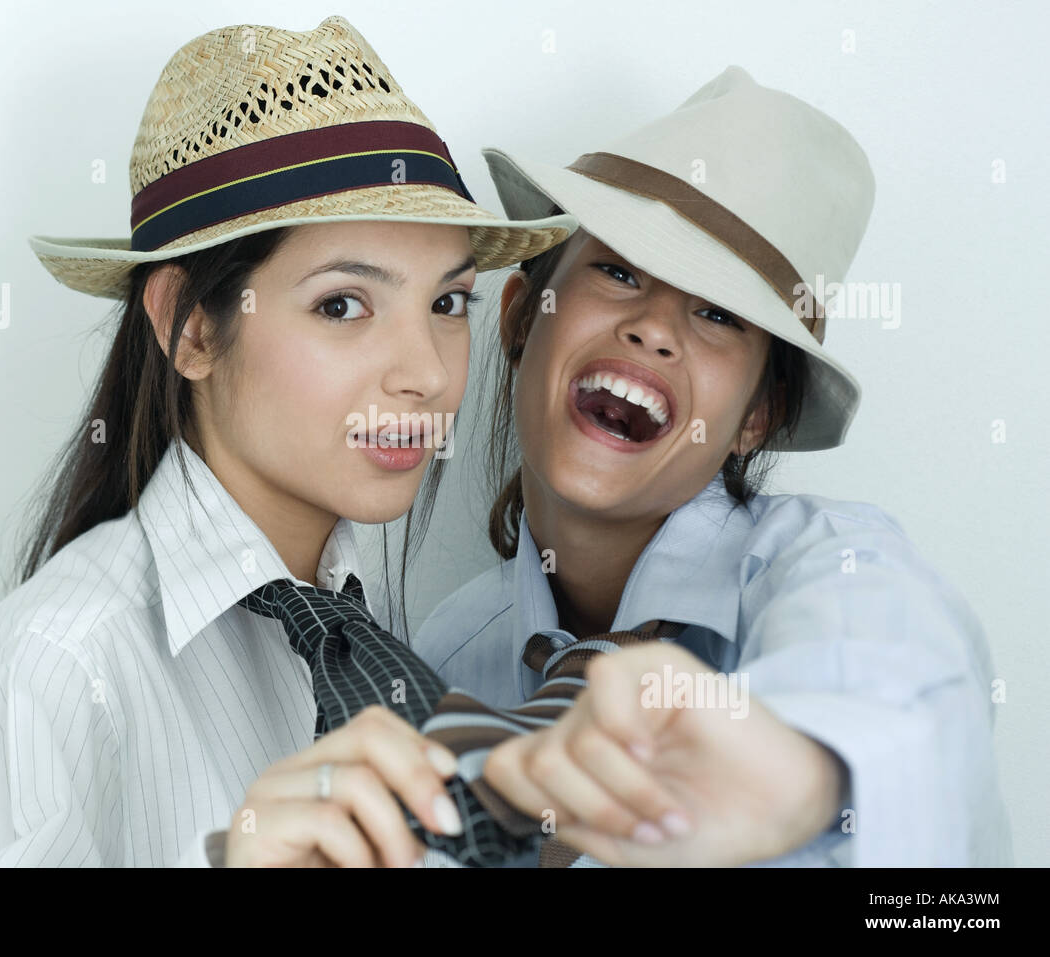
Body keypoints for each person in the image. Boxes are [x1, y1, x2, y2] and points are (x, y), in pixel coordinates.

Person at [0, 15, 575, 868]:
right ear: (189, 327)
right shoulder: (62, 657)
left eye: (448, 304)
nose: (428, 374)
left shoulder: (386, 646)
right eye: (343, 304)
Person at [412, 65, 1015, 867]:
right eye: (619, 269)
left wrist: (799, 773)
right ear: (523, 316)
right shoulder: (448, 656)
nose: (655, 329)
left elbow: (895, 664)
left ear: (757, 417)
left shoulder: (827, 565)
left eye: (717, 313)